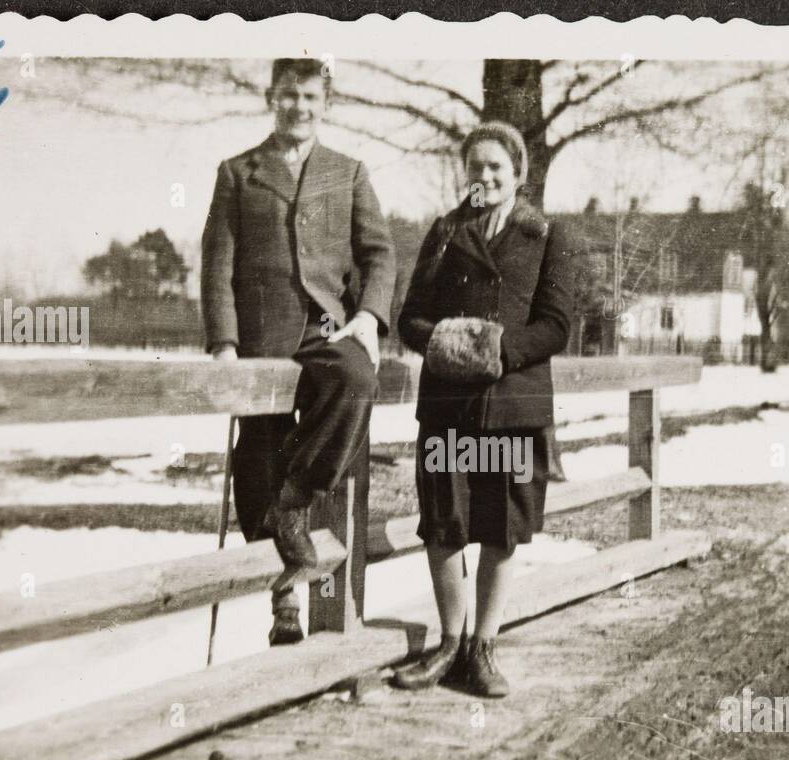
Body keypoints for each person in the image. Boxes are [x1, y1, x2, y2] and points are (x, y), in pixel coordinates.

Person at [201, 58, 395, 646]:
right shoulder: (238, 172)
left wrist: (367, 317)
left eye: (311, 97)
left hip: (327, 329)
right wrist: (225, 346)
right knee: (258, 451)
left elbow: (380, 254)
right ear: (271, 98)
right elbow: (217, 267)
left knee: (357, 383)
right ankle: (282, 601)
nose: (300, 107)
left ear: (326, 103)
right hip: (261, 337)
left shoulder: (349, 171)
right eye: (289, 96)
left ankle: (297, 499)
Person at [393, 121, 574, 697]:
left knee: (502, 528)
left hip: (513, 408)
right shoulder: (445, 233)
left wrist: (497, 350)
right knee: (445, 523)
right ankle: (448, 645)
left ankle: (484, 649)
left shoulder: (546, 235)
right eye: (476, 168)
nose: (486, 177)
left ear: (518, 174)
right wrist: (447, 341)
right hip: (449, 406)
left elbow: (556, 325)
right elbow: (410, 317)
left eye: (497, 167)